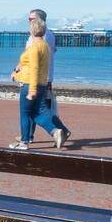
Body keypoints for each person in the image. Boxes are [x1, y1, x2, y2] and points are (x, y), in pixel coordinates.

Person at [8, 17, 57, 150]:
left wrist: (32, 89)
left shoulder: (34, 47)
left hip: (30, 84)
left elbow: (34, 68)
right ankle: (53, 132)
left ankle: (24, 142)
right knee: (35, 113)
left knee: (25, 114)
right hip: (42, 83)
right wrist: (17, 74)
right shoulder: (45, 46)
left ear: (32, 30)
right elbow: (40, 67)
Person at [28, 8, 71, 146]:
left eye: (31, 19)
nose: (28, 21)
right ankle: (29, 135)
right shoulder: (50, 34)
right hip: (46, 77)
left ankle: (60, 131)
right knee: (39, 108)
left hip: (38, 78)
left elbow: (34, 58)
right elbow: (53, 51)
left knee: (38, 109)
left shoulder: (41, 36)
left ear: (39, 21)